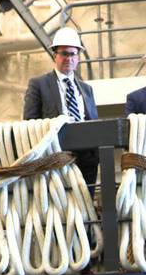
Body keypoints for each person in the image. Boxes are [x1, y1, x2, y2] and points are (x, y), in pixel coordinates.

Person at [23, 27, 99, 186]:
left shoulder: (87, 89)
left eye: (73, 54)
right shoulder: (39, 84)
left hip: (86, 158)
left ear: (78, 58)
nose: (69, 58)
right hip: (55, 155)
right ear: (55, 56)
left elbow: (93, 122)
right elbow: (30, 123)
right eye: (64, 53)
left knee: (86, 204)